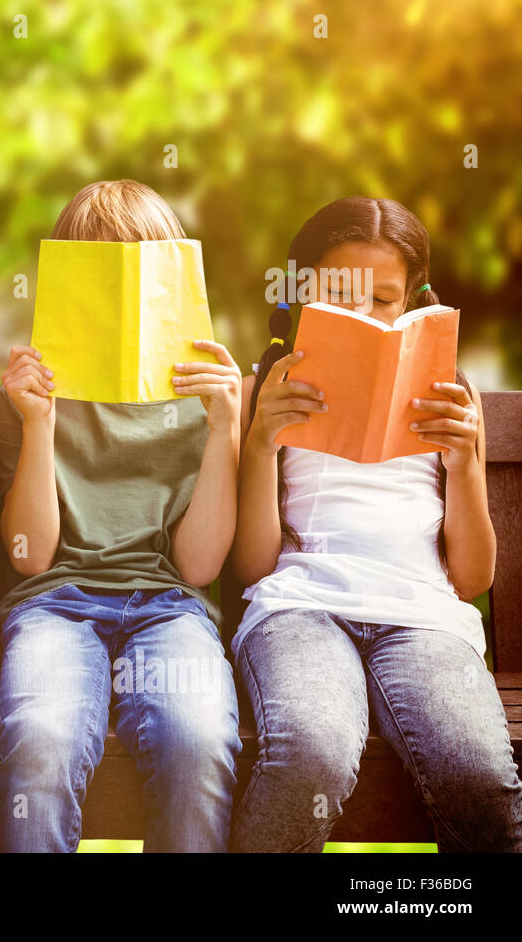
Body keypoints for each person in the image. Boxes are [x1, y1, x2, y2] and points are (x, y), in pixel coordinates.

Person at [228, 195, 522, 851]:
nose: (361, 316)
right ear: (303, 293)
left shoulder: (450, 395)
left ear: (415, 301)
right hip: (300, 606)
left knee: (479, 774)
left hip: (420, 614)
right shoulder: (267, 388)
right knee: (313, 754)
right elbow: (250, 567)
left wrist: (467, 463)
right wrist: (258, 447)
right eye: (338, 295)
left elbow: (471, 576)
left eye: (383, 300)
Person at [0, 179, 243, 852]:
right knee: (40, 742)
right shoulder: (32, 387)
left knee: (198, 742)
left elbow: (197, 566)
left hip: (169, 606)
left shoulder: (203, 391)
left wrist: (225, 431)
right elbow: (28, 556)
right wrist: (39, 424)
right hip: (54, 604)